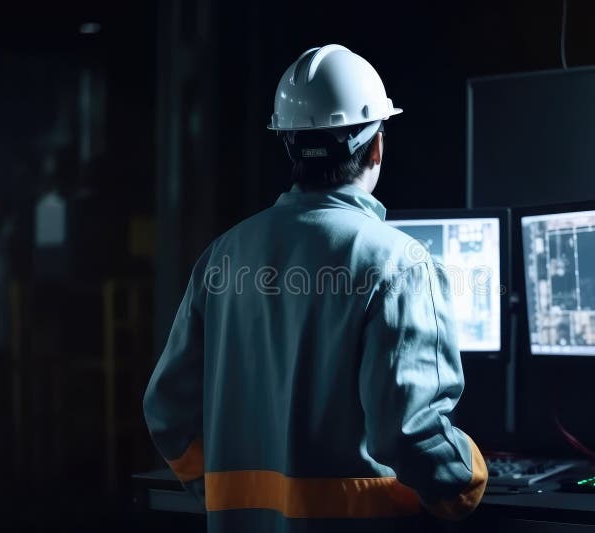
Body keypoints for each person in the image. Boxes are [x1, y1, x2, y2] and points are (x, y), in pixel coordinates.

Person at [144, 44, 487, 533]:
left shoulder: (222, 254)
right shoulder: (399, 262)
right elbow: (410, 435)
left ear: (288, 146)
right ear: (376, 146)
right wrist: (465, 484)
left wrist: (220, 491)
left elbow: (165, 410)